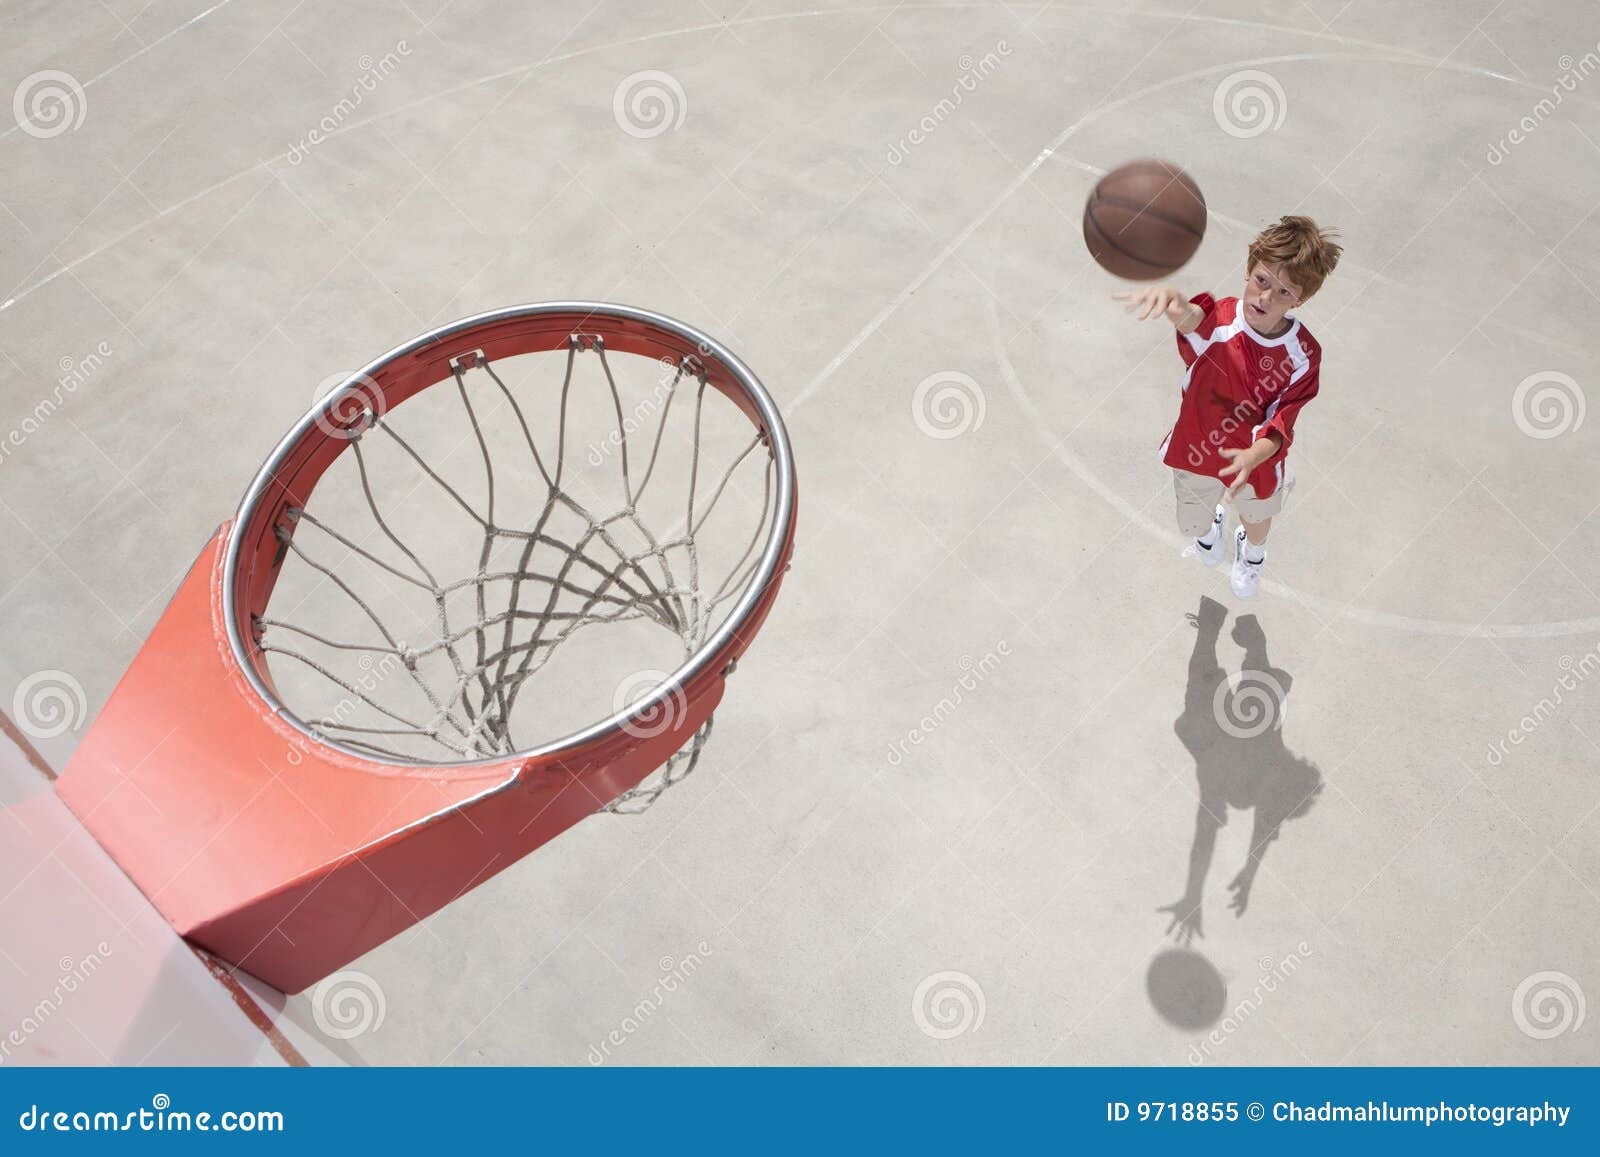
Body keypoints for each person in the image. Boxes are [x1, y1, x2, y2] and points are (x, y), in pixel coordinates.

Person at [1114, 216, 1342, 598]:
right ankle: (1209, 532)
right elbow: (1192, 321)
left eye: (1283, 292)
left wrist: (1253, 455)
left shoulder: (1302, 354)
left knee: (1257, 516)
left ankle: (1252, 554)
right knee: (1192, 523)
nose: (1266, 297)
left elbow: (1282, 422)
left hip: (1256, 458)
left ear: (1299, 300)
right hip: (1197, 446)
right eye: (1262, 280)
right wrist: (1171, 300)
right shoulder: (1221, 321)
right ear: (1249, 270)